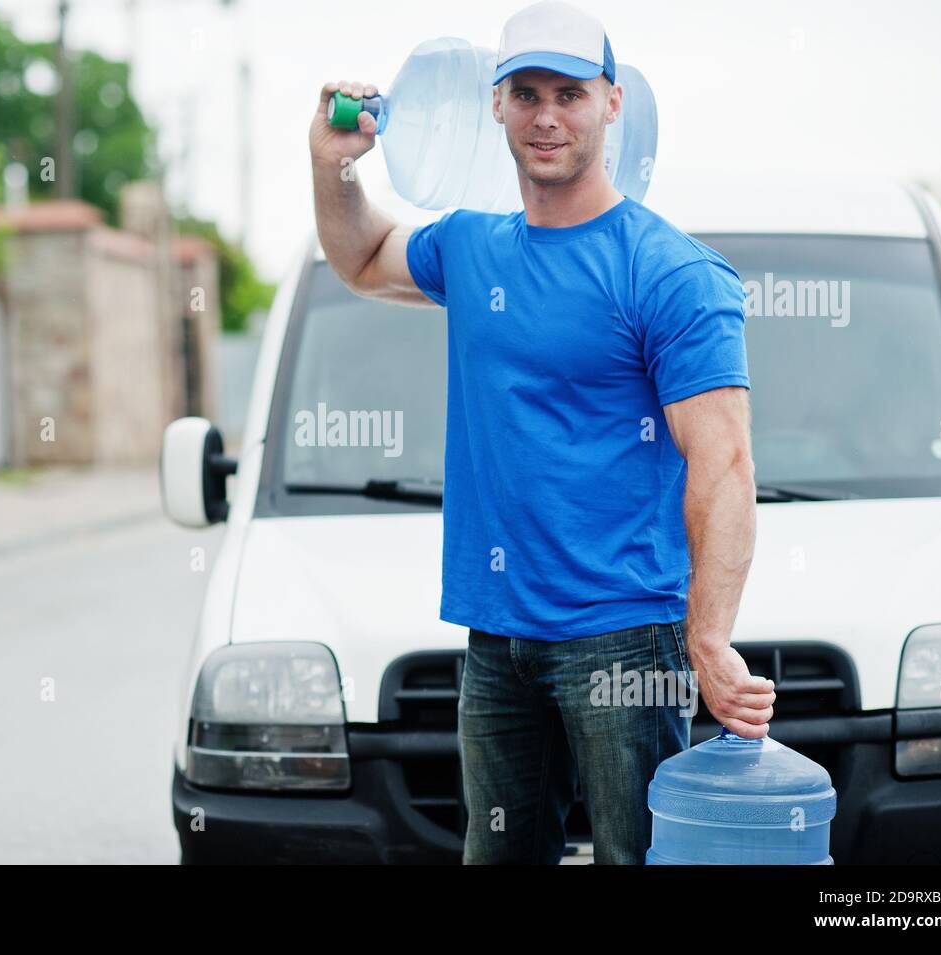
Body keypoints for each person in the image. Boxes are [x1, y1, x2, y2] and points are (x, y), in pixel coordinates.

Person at [308, 0, 775, 864]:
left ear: (612, 103)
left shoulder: (668, 270)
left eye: (570, 92)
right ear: (496, 106)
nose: (547, 115)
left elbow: (725, 459)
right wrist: (334, 169)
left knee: (641, 859)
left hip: (627, 639)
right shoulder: (473, 246)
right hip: (498, 641)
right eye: (526, 93)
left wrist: (708, 638)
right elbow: (362, 259)